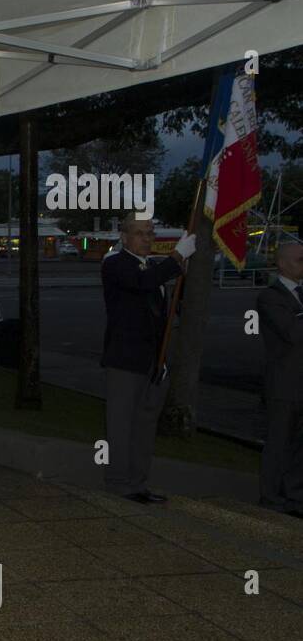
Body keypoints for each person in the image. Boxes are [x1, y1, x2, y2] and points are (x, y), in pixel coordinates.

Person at [100, 215, 196, 503]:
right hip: (125, 361)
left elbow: (165, 311)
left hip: (152, 363)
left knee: (144, 427)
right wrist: (177, 258)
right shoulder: (115, 264)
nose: (147, 238)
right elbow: (140, 284)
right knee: (120, 426)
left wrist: (182, 273)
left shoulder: (154, 268)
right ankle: (119, 483)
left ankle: (138, 483)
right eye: (140, 233)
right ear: (124, 237)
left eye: (150, 233)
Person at [255, 242, 303, 518]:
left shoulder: (300, 296)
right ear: (283, 264)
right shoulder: (270, 297)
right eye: (300, 259)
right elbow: (292, 332)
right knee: (278, 444)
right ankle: (271, 498)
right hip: (283, 385)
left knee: (299, 447)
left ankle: (295, 497)